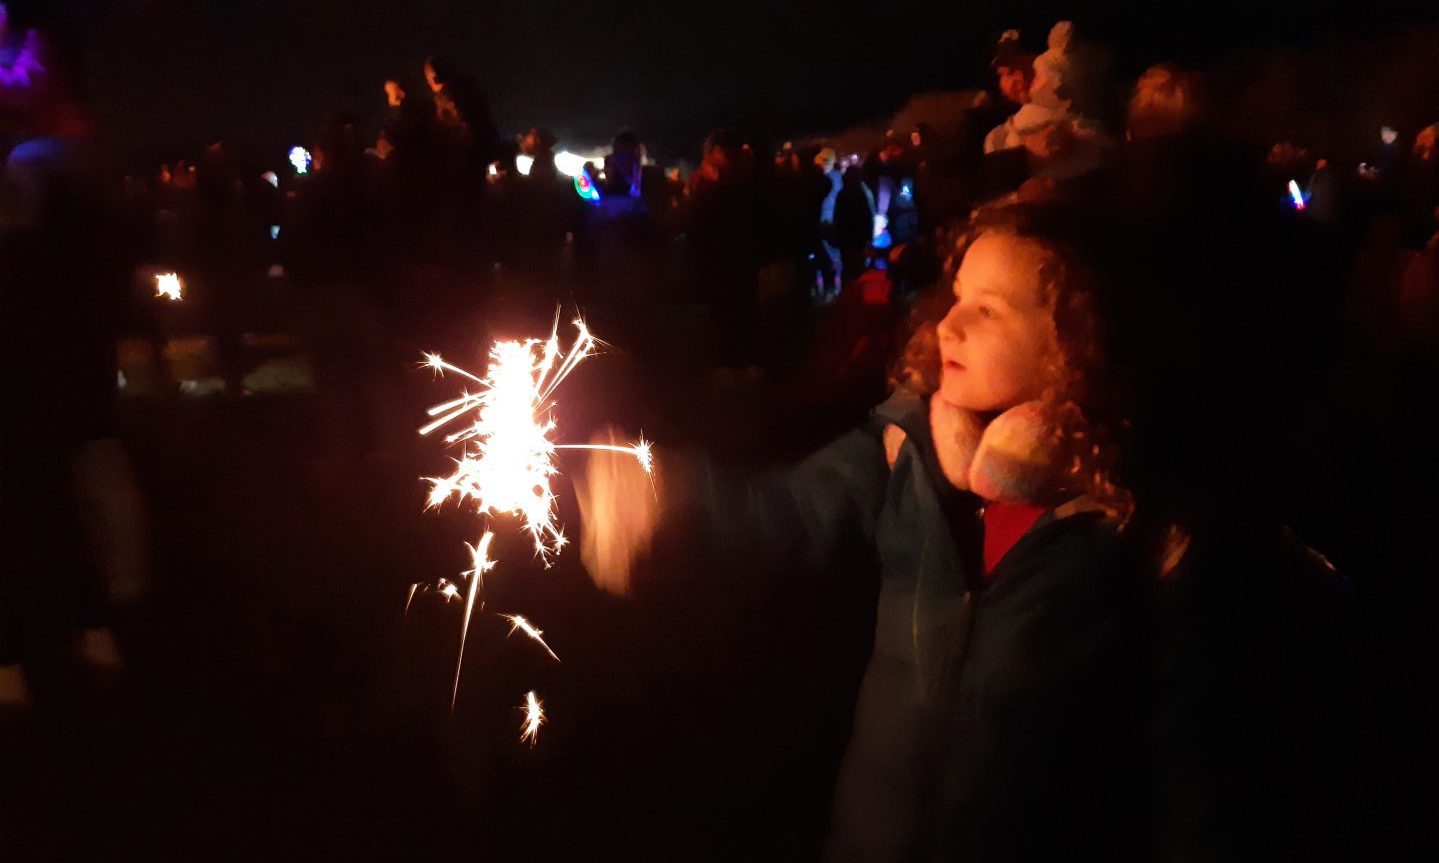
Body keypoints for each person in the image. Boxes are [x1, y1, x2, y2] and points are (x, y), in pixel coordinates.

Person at [577, 200, 1149, 860]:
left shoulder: (1122, 520)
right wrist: (671, 493)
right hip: (874, 833)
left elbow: (1187, 762)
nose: (949, 324)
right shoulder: (904, 445)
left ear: (1071, 346)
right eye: (955, 295)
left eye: (988, 309)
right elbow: (791, 509)